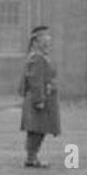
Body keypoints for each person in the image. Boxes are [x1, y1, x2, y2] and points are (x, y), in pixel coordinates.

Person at [20, 27, 60, 167]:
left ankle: (32, 157)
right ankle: (31, 158)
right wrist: (39, 100)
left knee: (38, 129)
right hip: (38, 99)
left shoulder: (38, 56)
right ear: (36, 41)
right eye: (45, 38)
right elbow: (35, 80)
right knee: (37, 130)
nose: (48, 40)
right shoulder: (37, 57)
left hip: (41, 97)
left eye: (48, 37)